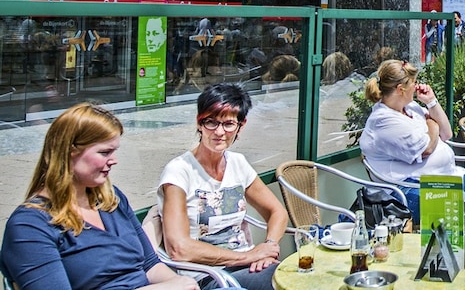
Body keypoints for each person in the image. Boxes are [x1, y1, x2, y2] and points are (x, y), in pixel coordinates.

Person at [2, 103, 199, 290]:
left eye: (114, 151)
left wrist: (179, 282)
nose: (114, 161)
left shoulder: (111, 200)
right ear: (70, 151)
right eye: (105, 152)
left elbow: (150, 265)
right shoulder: (30, 226)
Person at [358, 61, 465, 263]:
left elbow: (446, 132)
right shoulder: (383, 119)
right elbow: (426, 149)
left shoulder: (410, 107)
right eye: (413, 83)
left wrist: (432, 103)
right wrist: (430, 123)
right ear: (401, 89)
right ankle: (461, 270)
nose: (417, 86)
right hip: (409, 186)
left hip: (447, 174)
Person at [158, 84, 289, 290]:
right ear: (199, 123)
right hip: (207, 276)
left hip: (246, 266)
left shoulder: (238, 163)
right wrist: (246, 256)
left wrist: (269, 246)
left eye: (228, 124)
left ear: (240, 126)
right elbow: (179, 248)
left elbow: (277, 211)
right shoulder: (179, 172)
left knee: (300, 277)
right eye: (211, 122)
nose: (219, 132)